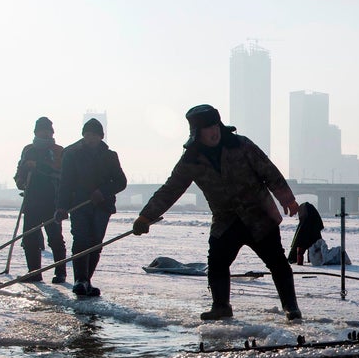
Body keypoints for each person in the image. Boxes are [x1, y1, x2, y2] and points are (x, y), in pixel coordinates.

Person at [132, 104, 302, 321]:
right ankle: (221, 306)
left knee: (277, 262)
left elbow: (269, 171)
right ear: (196, 132)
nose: (213, 132)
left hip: (258, 217)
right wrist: (146, 216)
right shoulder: (191, 160)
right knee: (217, 264)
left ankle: (291, 307)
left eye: (215, 126)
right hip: (226, 220)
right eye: (207, 128)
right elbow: (171, 189)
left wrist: (287, 199)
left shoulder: (241, 145)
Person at [56, 118, 128, 299]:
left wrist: (103, 191)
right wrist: (62, 207)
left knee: (96, 242)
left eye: (94, 135)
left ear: (101, 137)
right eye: (87, 135)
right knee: (81, 240)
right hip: (79, 205)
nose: (90, 138)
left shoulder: (110, 156)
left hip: (102, 206)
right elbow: (65, 183)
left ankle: (87, 279)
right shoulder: (72, 154)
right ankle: (80, 280)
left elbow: (121, 181)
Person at [13, 116, 66, 282]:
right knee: (30, 237)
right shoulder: (28, 150)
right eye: (42, 131)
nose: (45, 134)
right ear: (36, 132)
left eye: (48, 131)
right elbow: (19, 172)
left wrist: (37, 166)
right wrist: (21, 181)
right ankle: (34, 272)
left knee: (55, 237)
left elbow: (59, 172)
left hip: (52, 200)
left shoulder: (58, 151)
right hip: (32, 200)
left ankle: (60, 272)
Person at [287, 201, 324, 265]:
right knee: (312, 246)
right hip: (313, 229)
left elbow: (302, 230)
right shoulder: (304, 208)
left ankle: (294, 258)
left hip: (311, 229)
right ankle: (310, 259)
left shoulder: (303, 209)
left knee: (303, 243)